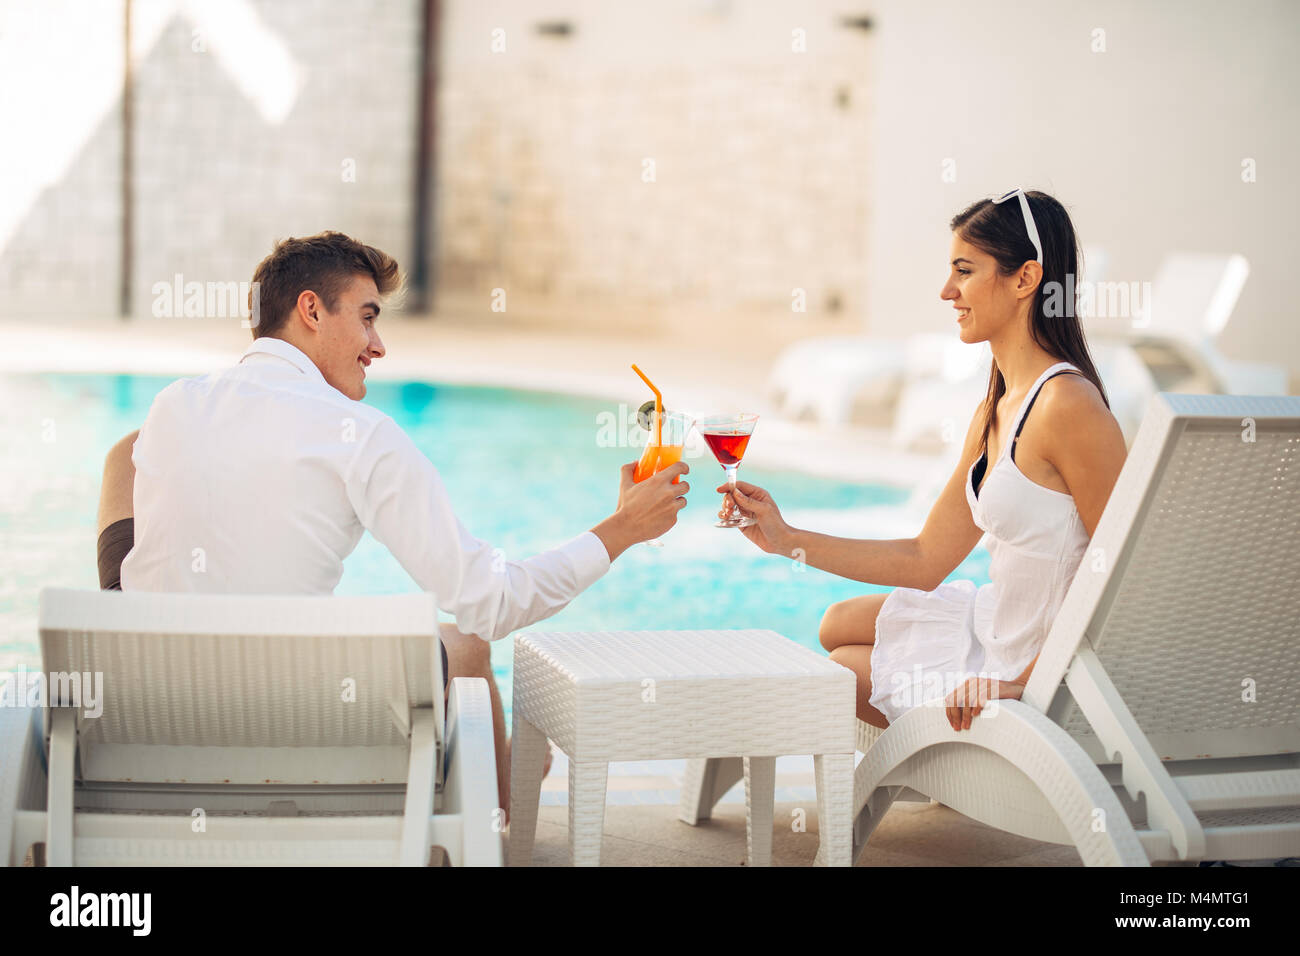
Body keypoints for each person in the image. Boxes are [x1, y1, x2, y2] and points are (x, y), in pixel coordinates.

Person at [95, 230, 691, 817]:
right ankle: (498, 808)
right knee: (469, 641)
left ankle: (500, 774)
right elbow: (492, 600)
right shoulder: (362, 438)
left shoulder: (173, 404)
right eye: (368, 317)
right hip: (286, 724)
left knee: (124, 458)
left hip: (148, 706)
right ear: (311, 309)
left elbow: (128, 454)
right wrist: (621, 530)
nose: (378, 346)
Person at [719, 189, 1128, 733]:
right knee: (836, 624)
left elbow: (1121, 570)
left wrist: (1028, 678)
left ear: (1025, 279)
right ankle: (937, 770)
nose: (947, 291)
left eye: (965, 271)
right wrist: (784, 537)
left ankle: (944, 772)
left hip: (1040, 664)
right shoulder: (999, 405)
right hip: (1005, 625)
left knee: (843, 671)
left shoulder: (1067, 404)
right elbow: (925, 558)